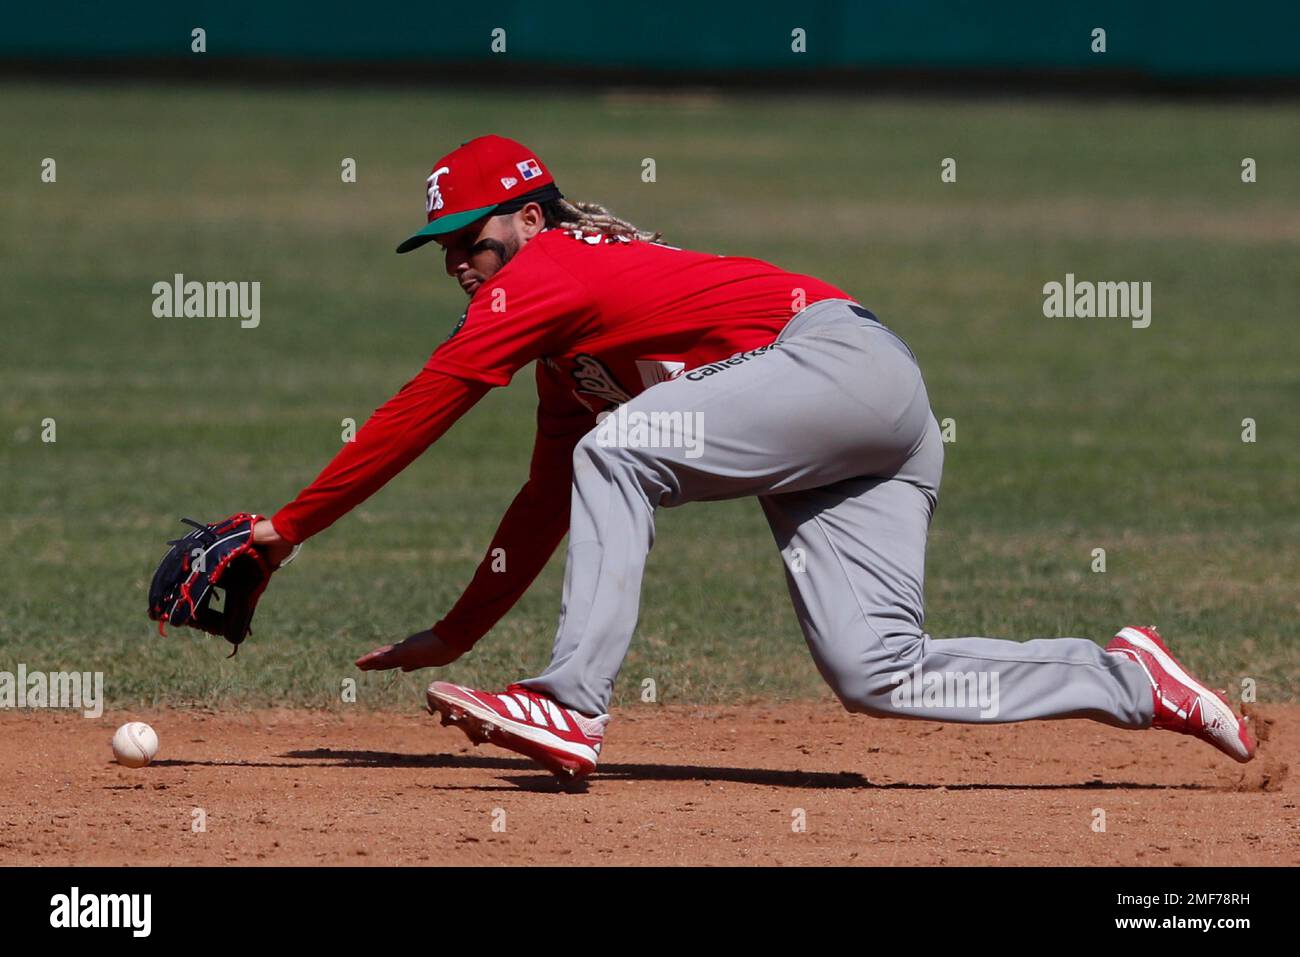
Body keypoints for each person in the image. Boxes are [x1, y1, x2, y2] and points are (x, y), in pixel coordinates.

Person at [251, 135, 1255, 779]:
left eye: (471, 236)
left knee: (617, 450)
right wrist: (457, 631)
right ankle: (1130, 680)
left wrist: (283, 531)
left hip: (836, 361)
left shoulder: (550, 268)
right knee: (878, 672)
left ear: (530, 215)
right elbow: (546, 498)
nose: (457, 260)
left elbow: (430, 401)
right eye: (442, 247)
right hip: (864, 427)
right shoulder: (571, 358)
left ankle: (567, 705)